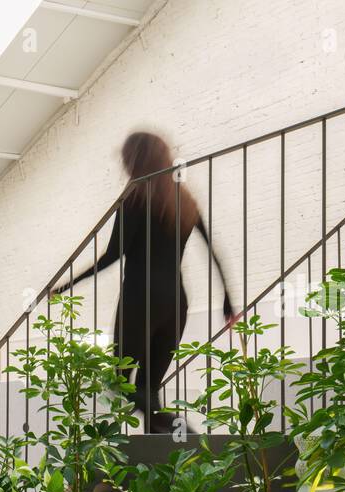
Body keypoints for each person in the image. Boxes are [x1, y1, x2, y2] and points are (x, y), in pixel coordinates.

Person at [62, 131, 240, 433]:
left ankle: (183, 432)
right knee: (149, 387)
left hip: (140, 298)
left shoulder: (135, 197)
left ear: (134, 160)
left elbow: (112, 255)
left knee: (119, 381)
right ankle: (166, 458)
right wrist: (227, 302)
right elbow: (213, 250)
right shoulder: (184, 201)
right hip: (175, 301)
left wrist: (68, 284)